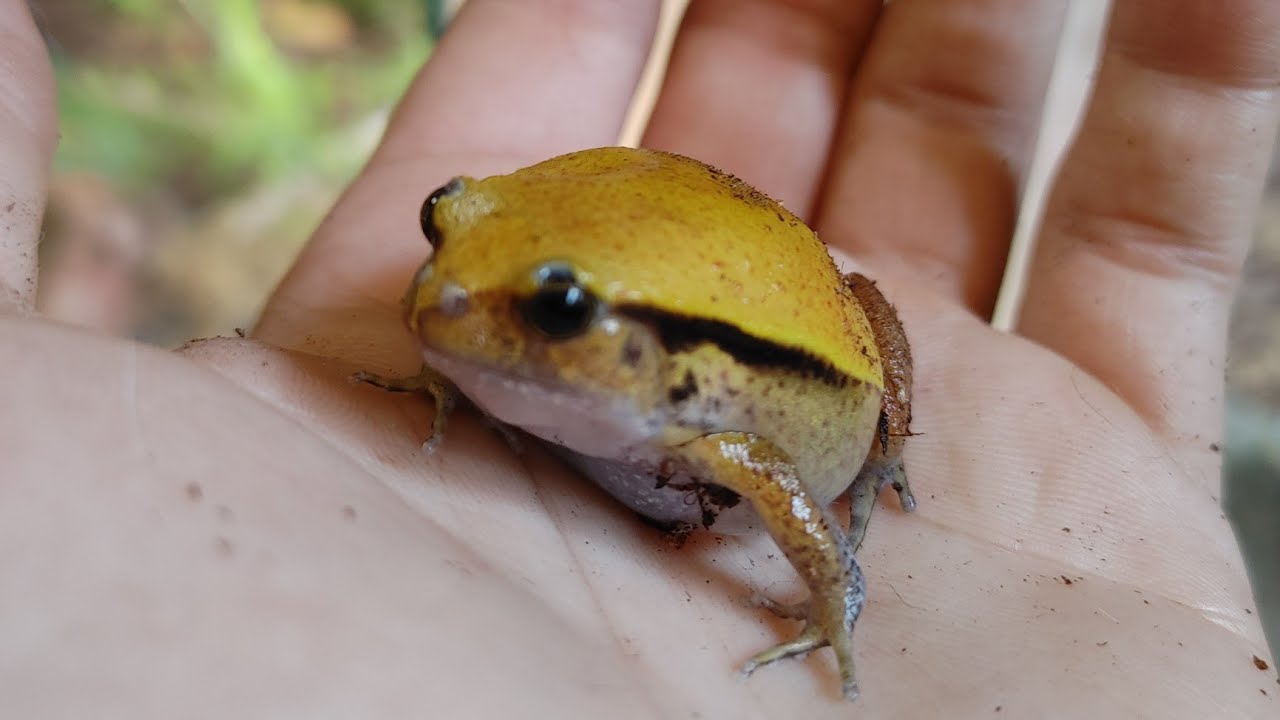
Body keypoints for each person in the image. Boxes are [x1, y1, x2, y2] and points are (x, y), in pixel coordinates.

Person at [2, 1, 1276, 716]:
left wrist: (834, 608)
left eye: (545, 310)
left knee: (863, 395)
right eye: (440, 235)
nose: (442, 294)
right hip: (683, 274)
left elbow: (777, 492)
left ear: (610, 336)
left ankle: (881, 454)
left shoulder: (702, 426)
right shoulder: (480, 305)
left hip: (803, 363)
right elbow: (483, 273)